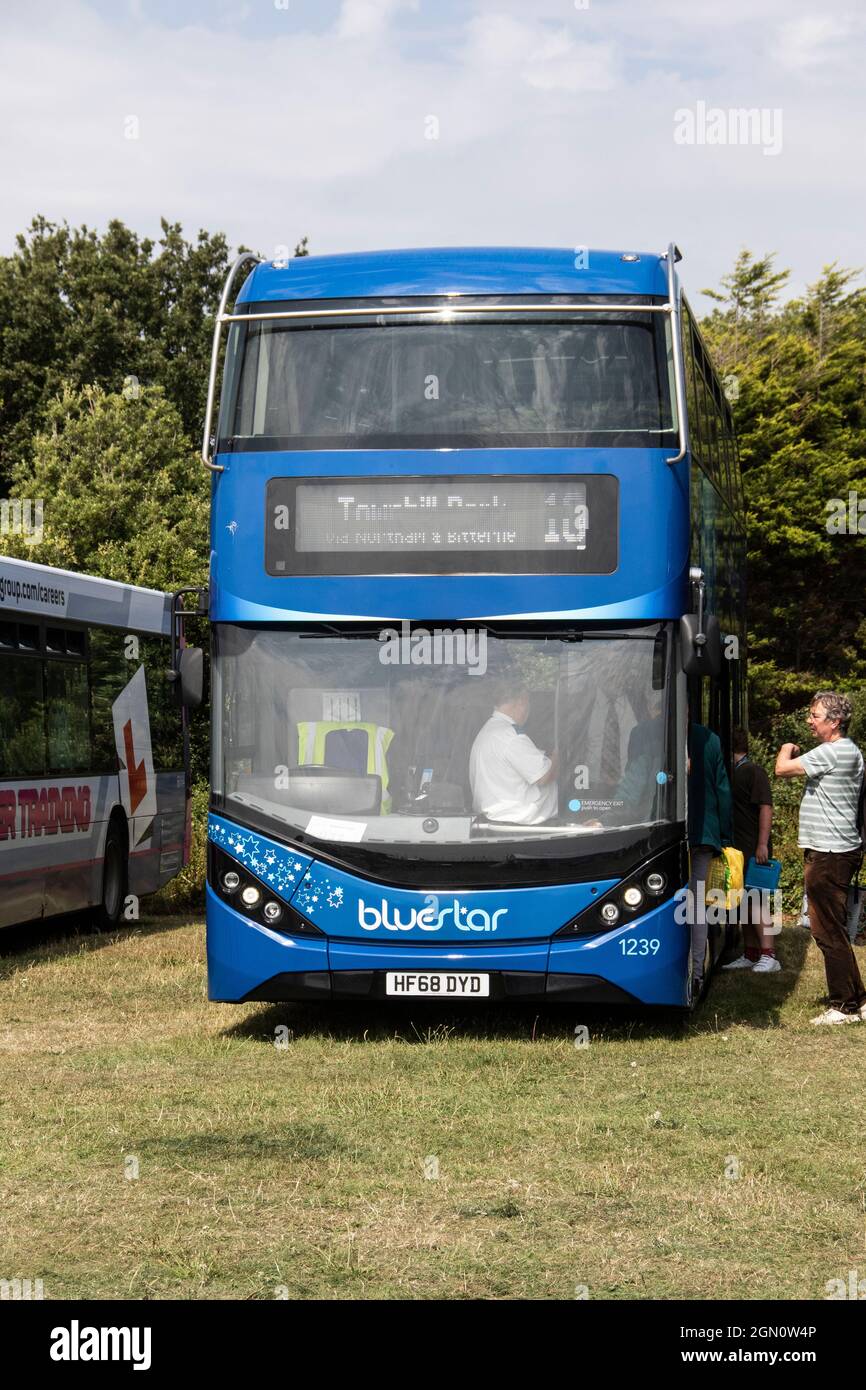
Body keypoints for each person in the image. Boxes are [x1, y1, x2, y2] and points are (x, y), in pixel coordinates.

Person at [775, 691, 865, 1025]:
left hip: (830, 852)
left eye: (815, 715)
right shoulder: (848, 751)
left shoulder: (834, 751)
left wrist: (786, 749)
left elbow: (782, 769)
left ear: (835, 721)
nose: (810, 721)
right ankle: (857, 997)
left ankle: (843, 1006)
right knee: (834, 927)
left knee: (826, 929)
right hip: (837, 851)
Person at [723, 728, 779, 973]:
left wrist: (762, 844)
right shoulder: (731, 773)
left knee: (757, 901)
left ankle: (769, 955)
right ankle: (751, 952)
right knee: (742, 901)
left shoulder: (753, 771)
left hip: (754, 848)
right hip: (737, 849)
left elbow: (766, 807)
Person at [469, 679, 557, 825]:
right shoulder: (510, 736)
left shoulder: (490, 730)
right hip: (517, 825)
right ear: (522, 701)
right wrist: (559, 753)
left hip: (497, 820)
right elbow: (545, 777)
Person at [688, 720, 733, 996]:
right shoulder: (710, 740)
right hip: (703, 835)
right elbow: (723, 791)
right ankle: (696, 973)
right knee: (695, 904)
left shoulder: (645, 732)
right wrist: (725, 836)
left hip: (657, 834)